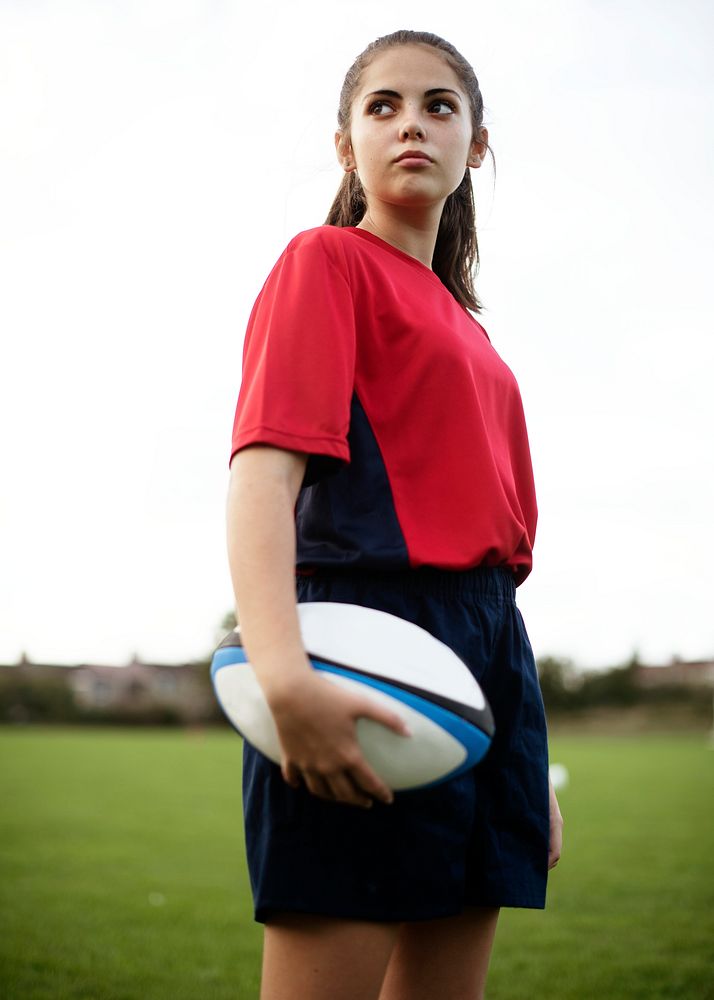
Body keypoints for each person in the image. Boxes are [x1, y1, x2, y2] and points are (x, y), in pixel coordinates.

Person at [226, 29, 563, 1000]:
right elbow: (262, 477)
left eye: (438, 106)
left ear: (476, 145)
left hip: (489, 661)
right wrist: (282, 675)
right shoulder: (327, 262)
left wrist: (522, 751)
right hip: (369, 640)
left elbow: (496, 568)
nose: (411, 123)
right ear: (348, 147)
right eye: (383, 106)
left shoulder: (473, 332)